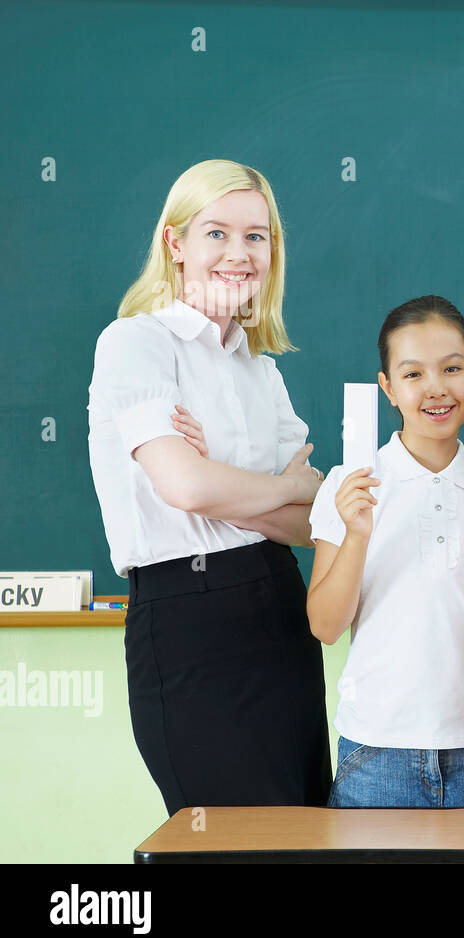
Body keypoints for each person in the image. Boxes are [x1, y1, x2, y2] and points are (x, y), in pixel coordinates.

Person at [88, 159, 330, 816]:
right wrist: (277, 487)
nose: (239, 253)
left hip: (282, 612)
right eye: (216, 233)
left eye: (257, 236)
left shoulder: (261, 371)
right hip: (189, 624)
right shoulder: (134, 344)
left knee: (303, 829)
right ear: (175, 243)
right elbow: (185, 486)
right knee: (226, 841)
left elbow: (312, 525)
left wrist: (235, 488)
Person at [305, 296, 464, 808]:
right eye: (413, 374)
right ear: (388, 387)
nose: (436, 388)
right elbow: (325, 626)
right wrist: (356, 534)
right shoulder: (350, 486)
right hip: (377, 753)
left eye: (452, 369)